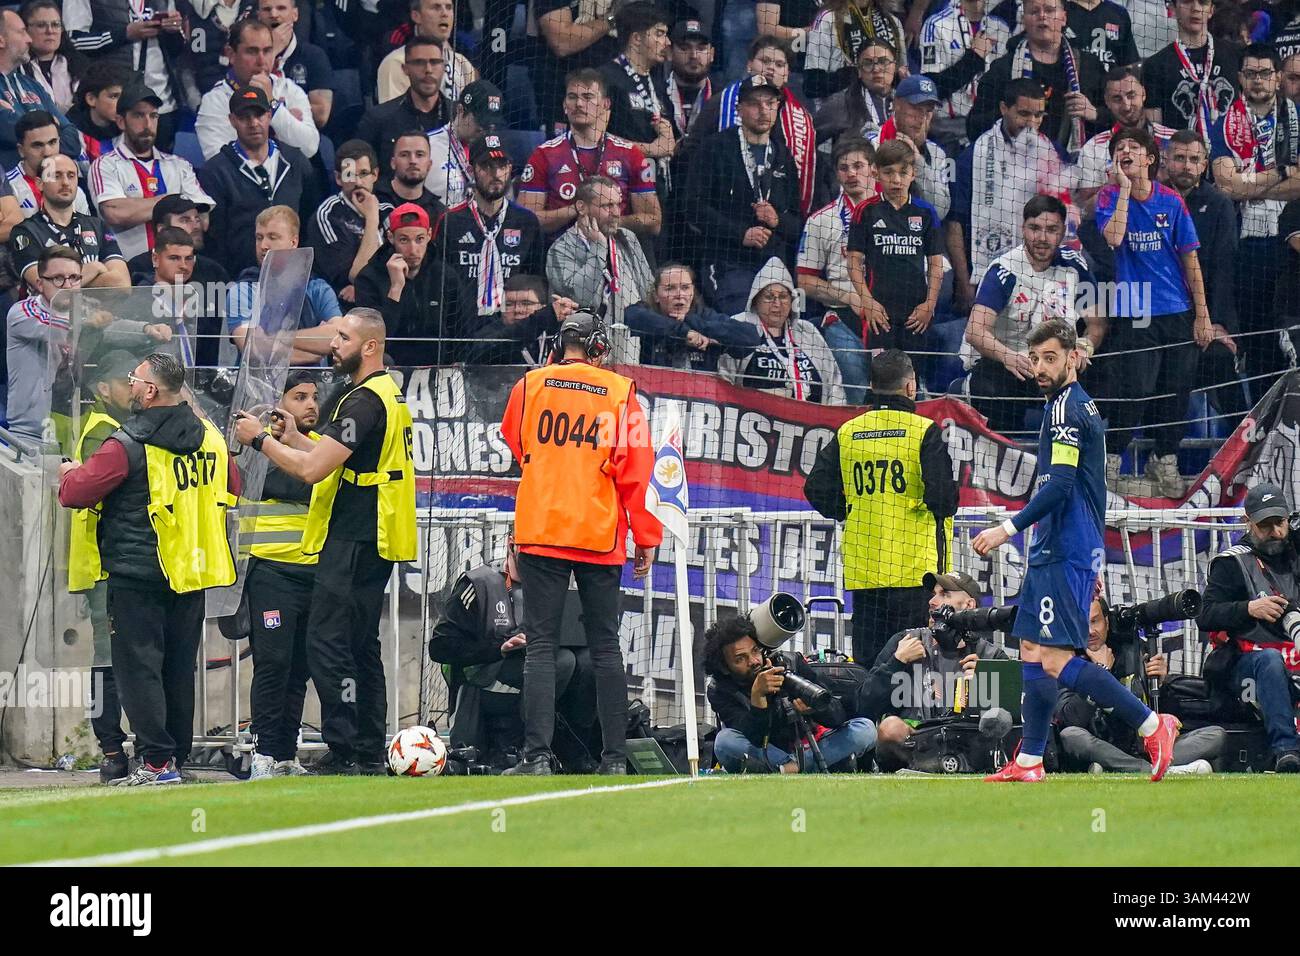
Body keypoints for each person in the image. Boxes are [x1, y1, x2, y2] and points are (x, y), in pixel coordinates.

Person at [972, 319, 1183, 783]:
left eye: (1051, 357)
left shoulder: (1067, 409)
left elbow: (1061, 485)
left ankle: (1153, 725)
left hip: (1064, 547)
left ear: (1072, 357)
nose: (1041, 367)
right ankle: (1029, 760)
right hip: (1063, 546)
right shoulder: (1066, 406)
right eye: (1035, 359)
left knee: (1052, 658)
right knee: (1030, 646)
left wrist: (1006, 528)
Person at [233, 308, 417, 775]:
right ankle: (368, 749)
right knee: (359, 644)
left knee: (329, 643)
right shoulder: (382, 394)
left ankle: (347, 748)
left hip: (357, 534)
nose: (333, 344)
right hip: (372, 534)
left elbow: (315, 471)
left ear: (369, 346)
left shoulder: (362, 401)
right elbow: (336, 455)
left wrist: (260, 442)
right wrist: (296, 435)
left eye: (342, 336)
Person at [58, 351, 239, 785]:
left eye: (135, 379)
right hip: (192, 573)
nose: (131, 385)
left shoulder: (126, 443)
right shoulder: (211, 438)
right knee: (177, 670)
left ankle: (155, 763)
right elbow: (234, 486)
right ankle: (172, 759)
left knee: (137, 670)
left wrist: (68, 472)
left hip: (139, 574)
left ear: (150, 390)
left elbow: (77, 493)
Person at [499, 310, 662, 775]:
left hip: (542, 527)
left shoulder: (530, 385)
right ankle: (612, 760)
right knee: (606, 647)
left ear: (559, 344)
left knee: (541, 647)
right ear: (598, 348)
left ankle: (536, 758)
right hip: (598, 531)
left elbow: (516, 440)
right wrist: (645, 534)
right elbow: (637, 469)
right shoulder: (619, 392)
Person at [804, 349, 957, 664]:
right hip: (917, 573)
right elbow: (944, 498)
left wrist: (850, 510)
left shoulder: (849, 432)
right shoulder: (923, 430)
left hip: (866, 575)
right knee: (919, 670)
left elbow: (815, 487)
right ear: (911, 386)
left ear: (871, 385)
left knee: (871, 668)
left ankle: (870, 717)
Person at [1093, 125, 1211, 498]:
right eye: (1119, 147)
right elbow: (1113, 238)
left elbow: (1190, 258)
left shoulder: (1172, 201)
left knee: (1176, 391)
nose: (1125, 150)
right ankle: (1110, 461)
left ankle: (1165, 462)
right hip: (1136, 305)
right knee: (1136, 389)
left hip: (1177, 307)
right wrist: (1126, 191)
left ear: (1150, 157)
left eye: (1133, 146)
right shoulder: (1108, 197)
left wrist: (1202, 314)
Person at [427, 535, 597, 770]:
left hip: (536, 665)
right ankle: (529, 750)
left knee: (589, 663)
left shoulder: (552, 587)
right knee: (562, 662)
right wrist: (500, 647)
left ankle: (579, 752)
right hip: (487, 674)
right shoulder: (478, 583)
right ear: (511, 545)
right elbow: (440, 647)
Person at [242, 370, 323, 779]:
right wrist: (271, 443)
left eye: (313, 396)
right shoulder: (256, 451)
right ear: (278, 406)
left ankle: (285, 755)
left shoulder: (316, 447)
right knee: (273, 663)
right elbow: (297, 484)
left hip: (314, 571)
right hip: (271, 570)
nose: (310, 404)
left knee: (299, 668)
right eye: (299, 396)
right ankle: (262, 754)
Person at [964, 194, 1100, 436]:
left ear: (1062, 232)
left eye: (1051, 230)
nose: (1042, 238)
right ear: (1023, 229)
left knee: (1102, 380)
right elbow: (975, 331)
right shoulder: (1003, 271)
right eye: (1034, 228)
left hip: (1057, 365)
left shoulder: (1075, 267)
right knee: (991, 388)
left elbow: (1097, 324)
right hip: (1009, 365)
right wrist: (1007, 357)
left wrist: (1084, 346)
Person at [1209, 44, 1300, 388]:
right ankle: (1262, 431)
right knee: (1259, 342)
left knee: (1290, 337)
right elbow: (1226, 186)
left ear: (1278, 78)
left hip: (1292, 241)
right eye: (1251, 74)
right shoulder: (1225, 124)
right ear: (1240, 78)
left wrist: (1250, 183)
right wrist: (1280, 174)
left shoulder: (1297, 119)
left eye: (1265, 73)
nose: (1258, 80)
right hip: (1247, 247)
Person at [65, 349, 136, 783]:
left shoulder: (114, 429)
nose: (134, 390)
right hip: (105, 567)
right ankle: (110, 747)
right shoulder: (104, 433)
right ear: (103, 389)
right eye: (126, 382)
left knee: (119, 659)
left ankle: (123, 747)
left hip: (113, 564)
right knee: (109, 661)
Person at [857, 571, 1009, 770]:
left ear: (969, 605)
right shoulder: (905, 641)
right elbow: (863, 706)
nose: (932, 601)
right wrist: (896, 662)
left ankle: (945, 765)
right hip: (916, 745)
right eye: (933, 594)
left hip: (969, 745)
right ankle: (930, 765)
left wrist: (983, 688)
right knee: (890, 728)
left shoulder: (991, 656)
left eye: (944, 594)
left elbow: (1009, 724)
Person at [1195, 482, 1300, 772]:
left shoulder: (1295, 546)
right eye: (1266, 526)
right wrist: (1248, 608)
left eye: (1280, 523)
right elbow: (1205, 615)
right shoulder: (1232, 562)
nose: (1276, 533)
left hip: (1295, 650)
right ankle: (1286, 751)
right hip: (1248, 661)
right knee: (1269, 661)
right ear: (1248, 522)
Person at [1057, 595, 1226, 774]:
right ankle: (1154, 770)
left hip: (1144, 747)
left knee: (1216, 735)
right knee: (1070, 736)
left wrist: (1161, 685)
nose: (1090, 631)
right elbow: (1070, 720)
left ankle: (1124, 768)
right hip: (1102, 746)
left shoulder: (1134, 649)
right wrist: (1101, 671)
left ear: (1106, 621)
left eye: (1095, 621)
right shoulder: (1066, 659)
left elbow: (1171, 718)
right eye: (1083, 624)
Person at [948, 79, 1072, 313]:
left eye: (1038, 115)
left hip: (1044, 276)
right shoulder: (972, 157)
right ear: (1004, 108)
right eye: (1024, 114)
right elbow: (955, 225)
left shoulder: (1053, 153)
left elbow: (1070, 214)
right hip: (989, 278)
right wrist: (964, 284)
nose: (1032, 123)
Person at [686, 74, 802, 315]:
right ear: (739, 109)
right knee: (741, 324)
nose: (763, 110)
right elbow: (694, 208)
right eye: (754, 103)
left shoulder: (784, 156)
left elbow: (798, 224)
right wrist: (741, 234)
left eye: (770, 103)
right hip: (726, 260)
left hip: (773, 264)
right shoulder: (715, 148)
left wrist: (777, 220)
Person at [704, 612, 877, 773]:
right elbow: (755, 739)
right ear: (724, 667)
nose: (754, 661)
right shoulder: (720, 690)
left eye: (755, 651)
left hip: (811, 744)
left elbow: (838, 716)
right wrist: (759, 699)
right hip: (767, 750)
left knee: (865, 729)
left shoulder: (791, 661)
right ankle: (806, 766)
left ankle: (788, 769)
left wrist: (816, 708)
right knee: (724, 741)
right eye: (740, 659)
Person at [1161, 129, 1247, 436]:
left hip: (1206, 316)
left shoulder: (1219, 204)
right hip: (1161, 318)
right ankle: (1155, 457)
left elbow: (1225, 268)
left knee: (1221, 361)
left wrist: (1220, 323)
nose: (1186, 166)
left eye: (1194, 159)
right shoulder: (1151, 198)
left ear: (1205, 164)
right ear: (1165, 160)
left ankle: (1247, 449)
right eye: (1180, 158)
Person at [518, 69, 661, 239]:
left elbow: (653, 221)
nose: (579, 104)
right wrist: (576, 210)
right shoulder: (544, 155)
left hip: (616, 255)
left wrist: (610, 220)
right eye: (572, 97)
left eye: (587, 97)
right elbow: (524, 220)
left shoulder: (629, 154)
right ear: (564, 105)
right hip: (561, 255)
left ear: (605, 105)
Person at [687, 37, 817, 217]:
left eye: (779, 64)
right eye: (765, 61)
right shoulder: (720, 102)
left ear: (787, 73)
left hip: (777, 228)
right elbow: (693, 150)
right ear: (749, 65)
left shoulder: (803, 118)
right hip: (724, 214)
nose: (771, 68)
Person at [89, 83, 216, 263]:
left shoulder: (179, 165)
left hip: (180, 268)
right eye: (139, 115)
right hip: (129, 271)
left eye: (153, 116)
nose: (148, 124)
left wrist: (139, 207)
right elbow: (116, 213)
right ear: (120, 121)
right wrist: (174, 202)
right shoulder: (105, 164)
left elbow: (202, 218)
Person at [197, 85, 316, 276]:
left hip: (293, 276)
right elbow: (216, 239)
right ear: (232, 120)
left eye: (259, 115)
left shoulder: (295, 161)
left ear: (269, 116)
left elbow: (311, 217)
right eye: (244, 117)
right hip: (239, 277)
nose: (253, 123)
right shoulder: (215, 171)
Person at [847, 139, 944, 369]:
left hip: (916, 316)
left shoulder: (926, 212)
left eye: (903, 172)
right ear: (876, 173)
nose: (896, 180)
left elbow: (936, 265)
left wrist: (929, 306)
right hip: (880, 314)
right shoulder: (866, 211)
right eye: (889, 172)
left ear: (914, 174)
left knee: (913, 377)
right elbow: (853, 263)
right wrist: (867, 302)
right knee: (881, 376)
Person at [964, 0, 1106, 154]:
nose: (1042, 16)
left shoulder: (1088, 66)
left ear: (1064, 17)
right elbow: (973, 128)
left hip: (1073, 166)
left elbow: (1119, 119)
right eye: (1034, 11)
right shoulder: (1003, 69)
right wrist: (1008, 114)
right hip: (1014, 166)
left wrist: (1096, 114)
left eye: (1050, 10)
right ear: (1024, 19)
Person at [797, 137, 877, 403]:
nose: (852, 174)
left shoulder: (895, 213)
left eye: (858, 165)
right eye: (844, 168)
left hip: (890, 316)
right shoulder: (821, 221)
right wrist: (850, 297)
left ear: (873, 169)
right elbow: (805, 281)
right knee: (855, 392)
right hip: (844, 318)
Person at [435, 134, 545, 324]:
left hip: (511, 327)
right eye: (487, 166)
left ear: (510, 169)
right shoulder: (451, 221)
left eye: (502, 166)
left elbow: (537, 280)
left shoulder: (527, 222)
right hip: (460, 325)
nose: (496, 174)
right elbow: (439, 278)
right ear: (472, 170)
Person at [353, 202, 474, 365]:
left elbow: (461, 330)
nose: (413, 250)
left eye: (419, 239)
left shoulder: (446, 276)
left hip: (438, 370)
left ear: (429, 235)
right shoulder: (369, 278)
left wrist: (457, 363)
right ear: (390, 237)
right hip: (388, 368)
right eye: (404, 240)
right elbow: (373, 340)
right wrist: (396, 289)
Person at [226, 206, 343, 365]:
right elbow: (253, 350)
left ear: (293, 242)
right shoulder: (242, 291)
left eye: (273, 237)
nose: (263, 245)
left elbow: (337, 335)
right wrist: (314, 352)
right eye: (259, 237)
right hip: (258, 386)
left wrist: (278, 338)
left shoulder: (317, 289)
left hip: (311, 385)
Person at [718, 256, 844, 404]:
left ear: (792, 301)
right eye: (769, 297)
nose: (777, 303)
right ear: (755, 300)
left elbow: (835, 384)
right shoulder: (740, 325)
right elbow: (723, 380)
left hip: (813, 423)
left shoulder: (808, 331)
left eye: (783, 297)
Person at [65, 0, 184, 150]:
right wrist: (124, 34)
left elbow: (177, 50)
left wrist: (172, 31)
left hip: (162, 102)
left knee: (157, 170)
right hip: (116, 104)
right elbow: (74, 41)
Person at [195, 18, 319, 161]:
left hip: (289, 181)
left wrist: (274, 107)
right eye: (252, 52)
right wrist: (284, 132)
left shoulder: (289, 89)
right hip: (240, 183)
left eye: (267, 51)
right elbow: (221, 164)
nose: (261, 61)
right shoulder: (215, 101)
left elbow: (309, 148)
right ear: (231, 54)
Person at [10, 154, 130, 292]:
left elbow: (122, 284)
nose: (66, 182)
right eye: (57, 176)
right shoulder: (25, 232)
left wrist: (65, 283)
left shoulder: (98, 226)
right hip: (49, 313)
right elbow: (46, 287)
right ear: (40, 183)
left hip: (98, 311)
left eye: (71, 175)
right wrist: (95, 268)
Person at [1069, 66, 1176, 212]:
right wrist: (1115, 185)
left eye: (1131, 95)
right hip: (1118, 229)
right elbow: (1087, 209)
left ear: (1143, 94)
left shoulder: (1173, 140)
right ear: (1107, 101)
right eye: (1117, 99)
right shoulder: (1093, 148)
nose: (1126, 106)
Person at [546, 175, 654, 317]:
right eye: (607, 206)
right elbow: (580, 298)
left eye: (618, 205)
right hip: (585, 334)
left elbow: (648, 290)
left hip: (630, 332)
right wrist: (599, 247)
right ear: (582, 207)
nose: (616, 213)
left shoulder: (627, 238)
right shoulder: (561, 249)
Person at [623, 262, 762, 371]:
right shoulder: (645, 312)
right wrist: (685, 333)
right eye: (670, 288)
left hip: (701, 400)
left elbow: (751, 337)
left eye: (685, 287)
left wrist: (700, 327)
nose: (679, 294)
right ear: (656, 296)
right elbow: (632, 316)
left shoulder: (703, 316)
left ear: (692, 291)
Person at [599, 3, 676, 194]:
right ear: (636, 39)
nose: (667, 42)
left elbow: (666, 143)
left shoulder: (657, 82)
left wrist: (669, 138)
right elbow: (593, 137)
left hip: (654, 185)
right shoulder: (605, 78)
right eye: (659, 34)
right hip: (616, 187)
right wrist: (651, 149)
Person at [920, 0, 1011, 152]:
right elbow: (931, 89)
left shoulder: (1001, 29)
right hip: (947, 135)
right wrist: (974, 58)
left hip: (990, 131)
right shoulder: (937, 24)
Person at [355, 36, 453, 171]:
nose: (428, 69)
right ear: (405, 68)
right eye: (419, 63)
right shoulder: (378, 119)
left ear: (443, 67)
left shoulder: (460, 116)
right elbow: (359, 170)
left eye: (435, 62)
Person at [1141, 0, 1240, 134]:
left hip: (1232, 151)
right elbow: (1155, 132)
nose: (1195, 8)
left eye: (1203, 2)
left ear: (1211, 10)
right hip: (1180, 151)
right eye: (1187, 2)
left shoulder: (1236, 55)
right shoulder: (1154, 66)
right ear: (1173, 9)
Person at [307, 140, 390, 297]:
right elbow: (355, 276)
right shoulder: (328, 215)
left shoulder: (388, 211)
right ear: (338, 178)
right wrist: (372, 219)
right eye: (349, 175)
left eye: (364, 173)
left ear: (375, 174)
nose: (358, 182)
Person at [0, 8, 80, 168]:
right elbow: (7, 130)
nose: (29, 39)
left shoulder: (31, 84)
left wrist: (34, 140)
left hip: (48, 181)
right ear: (1, 41)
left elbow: (73, 141)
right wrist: (54, 128)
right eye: (22, 32)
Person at [875, 75, 951, 220]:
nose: (922, 118)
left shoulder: (938, 154)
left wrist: (918, 161)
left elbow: (940, 211)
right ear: (897, 104)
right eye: (916, 108)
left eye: (928, 110)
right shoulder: (873, 145)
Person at [377, 0, 478, 105]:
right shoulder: (397, 62)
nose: (445, 14)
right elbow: (392, 117)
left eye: (448, 7)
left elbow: (474, 114)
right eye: (436, 7)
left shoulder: (462, 63)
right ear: (416, 16)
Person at [804, 0, 907, 102]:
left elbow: (902, 75)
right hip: (844, 108)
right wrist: (855, 73)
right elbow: (811, 85)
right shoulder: (828, 19)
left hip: (887, 109)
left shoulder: (892, 22)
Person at [425, 79, 505, 209]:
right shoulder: (429, 146)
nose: (484, 129)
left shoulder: (496, 151)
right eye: (480, 121)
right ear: (461, 110)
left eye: (491, 124)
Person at [257, 0, 333, 130]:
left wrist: (275, 109)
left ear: (295, 14)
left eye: (281, 8)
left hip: (302, 138)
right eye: (267, 9)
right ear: (258, 16)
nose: (274, 14)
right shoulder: (247, 55)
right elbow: (244, 102)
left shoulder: (314, 55)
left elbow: (321, 115)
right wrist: (272, 51)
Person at [124, 194, 228, 288]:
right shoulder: (136, 269)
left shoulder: (214, 271)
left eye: (197, 219)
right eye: (185, 220)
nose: (196, 226)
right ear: (162, 229)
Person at [813, 40, 898, 146]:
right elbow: (808, 140)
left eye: (883, 61)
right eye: (868, 63)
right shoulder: (841, 103)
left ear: (895, 66)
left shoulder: (906, 101)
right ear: (858, 71)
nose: (876, 69)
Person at [6, 111, 91, 217]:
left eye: (52, 142)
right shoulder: (9, 188)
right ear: (21, 150)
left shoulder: (73, 188)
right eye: (37, 145)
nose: (48, 152)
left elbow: (87, 230)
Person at [19, 0, 87, 114]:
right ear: (25, 29)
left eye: (55, 25)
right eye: (41, 25)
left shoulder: (80, 66)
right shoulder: (16, 69)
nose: (50, 31)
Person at [377, 130, 446, 224]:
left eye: (420, 155)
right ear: (393, 163)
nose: (413, 161)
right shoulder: (374, 200)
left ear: (429, 165)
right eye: (404, 155)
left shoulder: (440, 214)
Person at [66, 60, 130, 162]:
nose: (122, 103)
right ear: (91, 99)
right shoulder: (69, 133)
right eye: (114, 96)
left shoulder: (131, 129)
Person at [660, 18, 714, 139]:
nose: (694, 56)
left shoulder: (723, 98)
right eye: (684, 48)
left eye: (701, 48)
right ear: (669, 52)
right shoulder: (654, 94)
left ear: (712, 54)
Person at [1064, 0, 1139, 71]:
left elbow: (1128, 63)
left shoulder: (1119, 13)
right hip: (1070, 81)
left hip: (1110, 82)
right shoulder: (1060, 9)